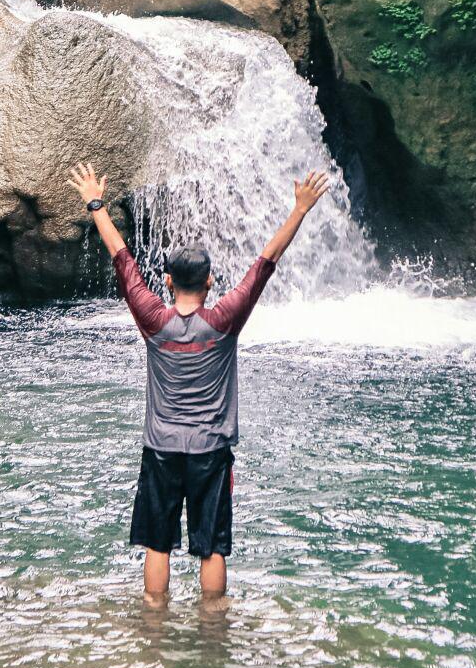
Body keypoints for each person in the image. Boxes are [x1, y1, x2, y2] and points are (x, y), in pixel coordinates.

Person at [66, 162, 331, 600]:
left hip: (162, 449)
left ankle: (154, 620)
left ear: (167, 282)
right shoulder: (225, 322)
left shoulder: (153, 320)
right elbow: (266, 263)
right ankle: (212, 627)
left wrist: (96, 204)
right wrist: (299, 209)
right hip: (210, 451)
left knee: (158, 542)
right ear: (210, 282)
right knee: (211, 548)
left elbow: (123, 261)